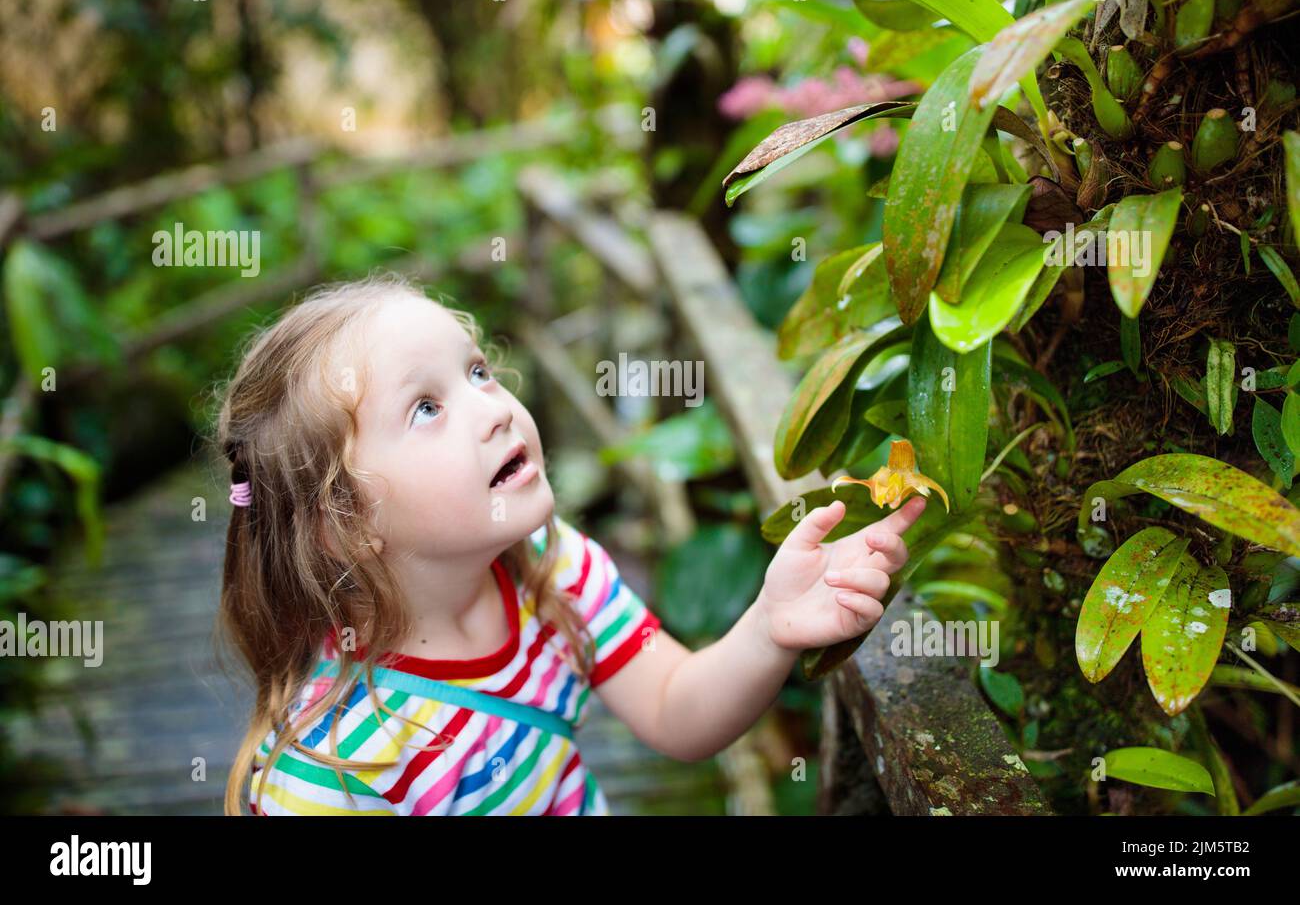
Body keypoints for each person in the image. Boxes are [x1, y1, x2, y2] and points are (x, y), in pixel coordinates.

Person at [212, 270, 928, 815]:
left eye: (478, 372)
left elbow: (679, 708)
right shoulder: (336, 771)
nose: (492, 410)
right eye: (426, 407)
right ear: (346, 523)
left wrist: (772, 624)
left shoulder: (556, 568)